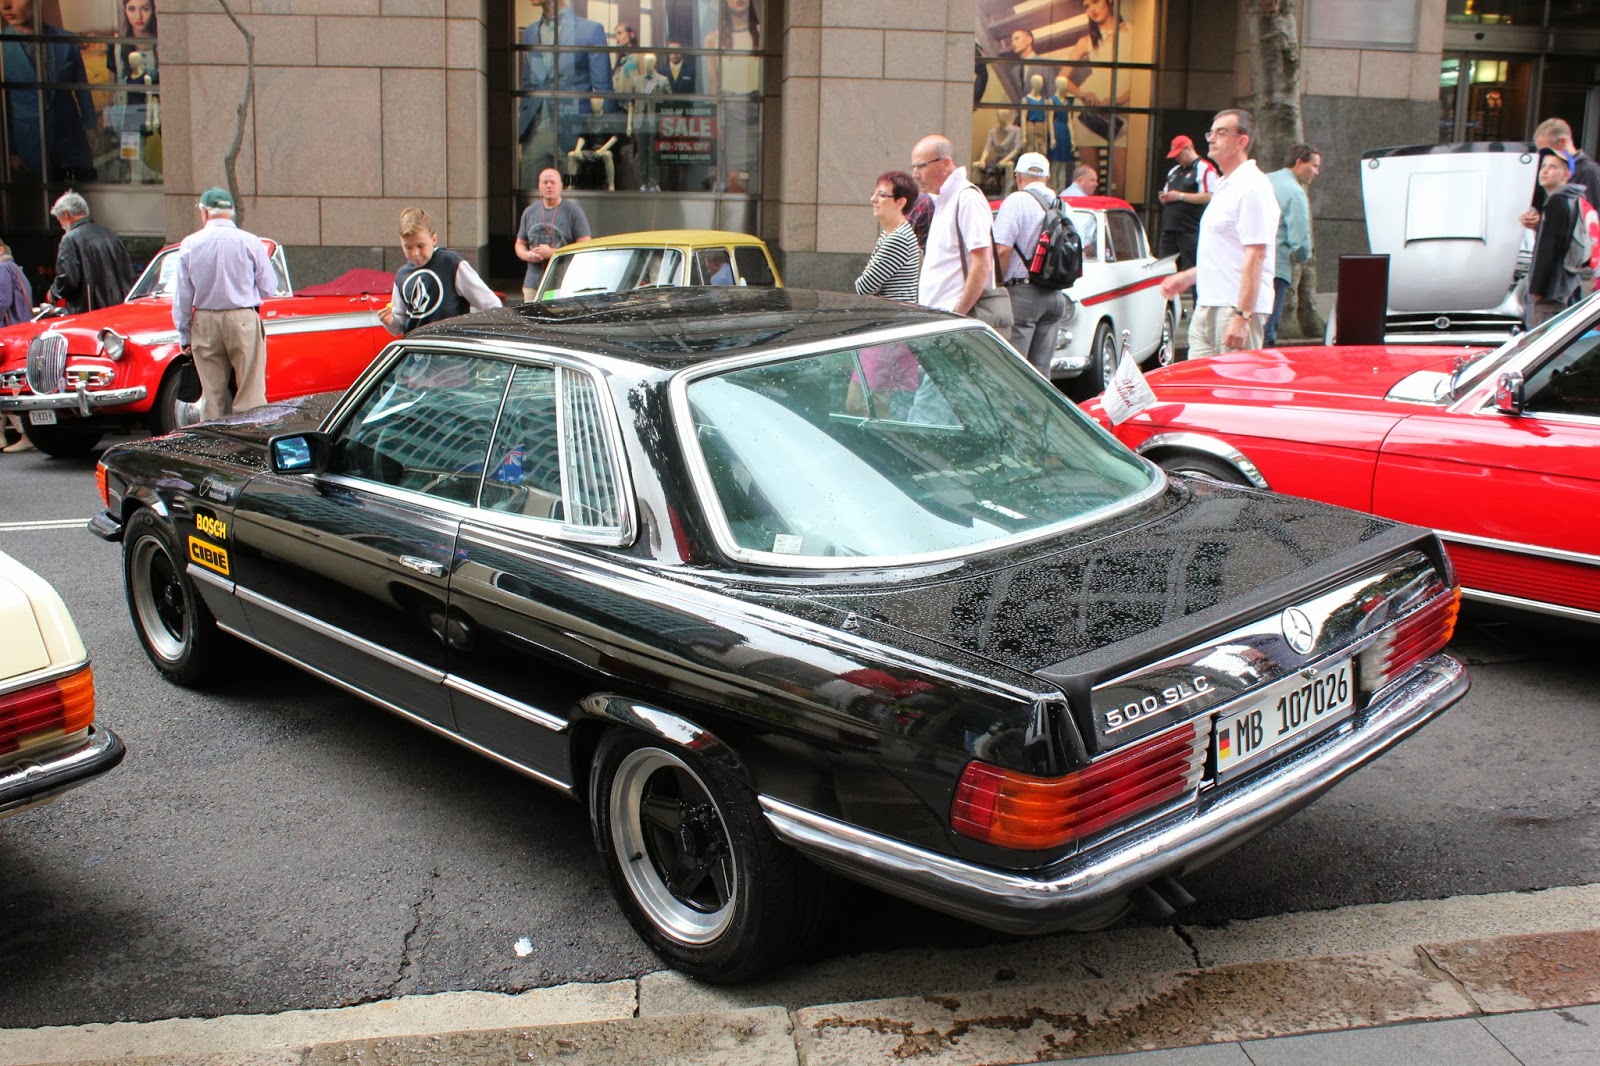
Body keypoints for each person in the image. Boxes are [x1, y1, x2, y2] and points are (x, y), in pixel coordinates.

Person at [1159, 108, 1278, 358]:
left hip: (1233, 308)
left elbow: (1256, 255)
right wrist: (1189, 277)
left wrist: (1243, 316)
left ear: (1241, 142)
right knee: (1199, 390)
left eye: (1222, 133)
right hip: (1208, 304)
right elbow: (1227, 255)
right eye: (1211, 133)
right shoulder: (1225, 184)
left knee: (1233, 390)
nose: (1212, 139)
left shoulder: (1252, 186)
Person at [172, 187, 278, 420]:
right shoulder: (250, 241)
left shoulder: (190, 244)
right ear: (230, 212)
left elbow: (182, 296)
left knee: (211, 396)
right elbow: (269, 286)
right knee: (250, 393)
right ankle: (249, 442)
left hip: (204, 320)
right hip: (243, 318)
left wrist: (184, 335)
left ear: (205, 212)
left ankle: (214, 448)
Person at [912, 133, 1007, 331]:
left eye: (921, 166)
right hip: (942, 318)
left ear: (945, 164)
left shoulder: (966, 198)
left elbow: (982, 262)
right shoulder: (943, 199)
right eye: (914, 167)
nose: (915, 174)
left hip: (955, 322)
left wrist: (958, 313)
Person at [0, 0, 96, 182]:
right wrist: (10, 151)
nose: (5, 5)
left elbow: (82, 89)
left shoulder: (66, 41)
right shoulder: (2, 47)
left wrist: (90, 126)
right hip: (28, 148)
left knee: (75, 203)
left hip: (71, 145)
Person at [519, 0, 611, 187]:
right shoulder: (529, 33)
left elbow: (603, 89)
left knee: (573, 203)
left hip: (573, 132)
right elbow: (528, 82)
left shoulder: (589, 30)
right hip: (535, 133)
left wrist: (599, 139)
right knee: (530, 203)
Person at [992, 152, 1066, 376]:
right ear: (1047, 177)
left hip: (1023, 294)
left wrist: (998, 283)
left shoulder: (1016, 201)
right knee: (1041, 373)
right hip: (1055, 295)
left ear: (1018, 177)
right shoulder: (1061, 204)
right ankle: (1041, 411)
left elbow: (1002, 249)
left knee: (1015, 372)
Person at [380, 208, 500, 336]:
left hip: (450, 349)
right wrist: (390, 321)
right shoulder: (402, 276)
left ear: (434, 239)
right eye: (408, 247)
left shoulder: (451, 263)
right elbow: (400, 326)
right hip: (417, 350)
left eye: (421, 246)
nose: (415, 253)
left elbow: (491, 304)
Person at [1057, 0, 1132, 175]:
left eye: (1096, 2)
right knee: (1089, 177)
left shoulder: (1132, 32)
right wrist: (1082, 93)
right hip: (1091, 112)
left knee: (1122, 178)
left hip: (1122, 111)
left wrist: (1117, 100)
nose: (1092, 9)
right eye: (1086, 6)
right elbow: (1062, 77)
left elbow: (1143, 80)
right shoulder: (1087, 40)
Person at [1524, 149, 1587, 329]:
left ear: (1566, 175)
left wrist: (1537, 289)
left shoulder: (1557, 201)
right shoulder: (1572, 199)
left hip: (1550, 292)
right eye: (1543, 166)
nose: (1544, 171)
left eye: (1553, 167)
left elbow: (1549, 248)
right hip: (1565, 286)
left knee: (1540, 343)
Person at [1264, 144, 1319, 347]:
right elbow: (1299, 236)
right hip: (1277, 265)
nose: (1316, 172)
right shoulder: (1296, 193)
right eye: (1314, 166)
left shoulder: (1264, 180)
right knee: (1267, 329)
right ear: (1299, 162)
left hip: (1248, 262)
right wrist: (1304, 255)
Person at [48, 191, 137, 314]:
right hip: (119, 308)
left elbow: (69, 279)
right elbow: (129, 273)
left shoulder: (70, 239)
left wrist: (55, 291)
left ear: (66, 214)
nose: (61, 225)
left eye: (59, 220)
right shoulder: (110, 234)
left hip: (90, 310)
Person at [515, 167, 592, 301]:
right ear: (539, 186)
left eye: (553, 182)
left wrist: (552, 253)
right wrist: (527, 255)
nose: (549, 186)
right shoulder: (529, 212)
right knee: (532, 321)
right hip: (533, 284)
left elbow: (585, 244)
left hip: (563, 283)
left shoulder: (573, 211)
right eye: (545, 182)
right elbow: (520, 243)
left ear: (561, 186)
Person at [854, 170, 921, 303]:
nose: (873, 199)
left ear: (900, 202)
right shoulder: (891, 233)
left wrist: (870, 272)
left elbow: (863, 287)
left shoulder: (899, 238)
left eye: (882, 195)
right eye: (874, 193)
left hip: (895, 316)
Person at [1156, 134, 1216, 271]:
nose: (1177, 158)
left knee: (1193, 268)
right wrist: (1165, 198)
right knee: (1164, 269)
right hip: (1170, 228)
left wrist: (1180, 196)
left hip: (1191, 229)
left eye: (1179, 154)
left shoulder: (1204, 168)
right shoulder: (1174, 171)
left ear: (1188, 149)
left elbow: (1209, 196)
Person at [0, 236, 32, 452]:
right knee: (10, 385)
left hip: (7, 334)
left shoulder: (3, 269)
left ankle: (24, 434)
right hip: (20, 333)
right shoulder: (15, 268)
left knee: (8, 387)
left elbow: (2, 302)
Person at [1533, 117, 1600, 218]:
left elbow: (1591, 218)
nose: (1545, 158)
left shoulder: (1589, 172)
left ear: (1563, 142)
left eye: (1549, 151)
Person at [567, 97, 619, 190]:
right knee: (571, 155)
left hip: (604, 151)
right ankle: (571, 184)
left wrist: (602, 150)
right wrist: (577, 149)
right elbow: (582, 136)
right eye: (592, 102)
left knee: (608, 155)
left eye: (597, 102)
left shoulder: (609, 119)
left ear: (602, 103)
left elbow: (614, 138)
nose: (594, 104)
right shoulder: (588, 119)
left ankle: (611, 184)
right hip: (590, 152)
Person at [972, 109, 1022, 195]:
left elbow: (1016, 149)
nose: (1000, 117)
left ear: (1008, 116)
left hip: (1010, 159)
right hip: (997, 159)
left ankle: (1007, 193)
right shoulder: (993, 132)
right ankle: (976, 191)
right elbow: (987, 148)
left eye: (1003, 115)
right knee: (976, 165)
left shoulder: (1016, 131)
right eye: (999, 115)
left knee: (1009, 165)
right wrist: (982, 160)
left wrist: (1005, 160)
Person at [107, 0, 158, 84]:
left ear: (153, 9)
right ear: (124, 10)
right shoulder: (116, 45)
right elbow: (116, 87)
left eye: (145, 9)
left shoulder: (162, 43)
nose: (138, 16)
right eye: (131, 9)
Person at [1048, 75, 1076, 190]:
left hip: (1065, 132)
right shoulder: (1052, 101)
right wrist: (1052, 137)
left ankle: (1062, 188)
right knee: (1055, 162)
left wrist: (1072, 138)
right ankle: (1053, 188)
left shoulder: (1067, 102)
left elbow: (1069, 120)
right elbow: (1050, 119)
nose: (1065, 86)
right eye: (1063, 84)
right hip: (1057, 128)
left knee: (1064, 163)